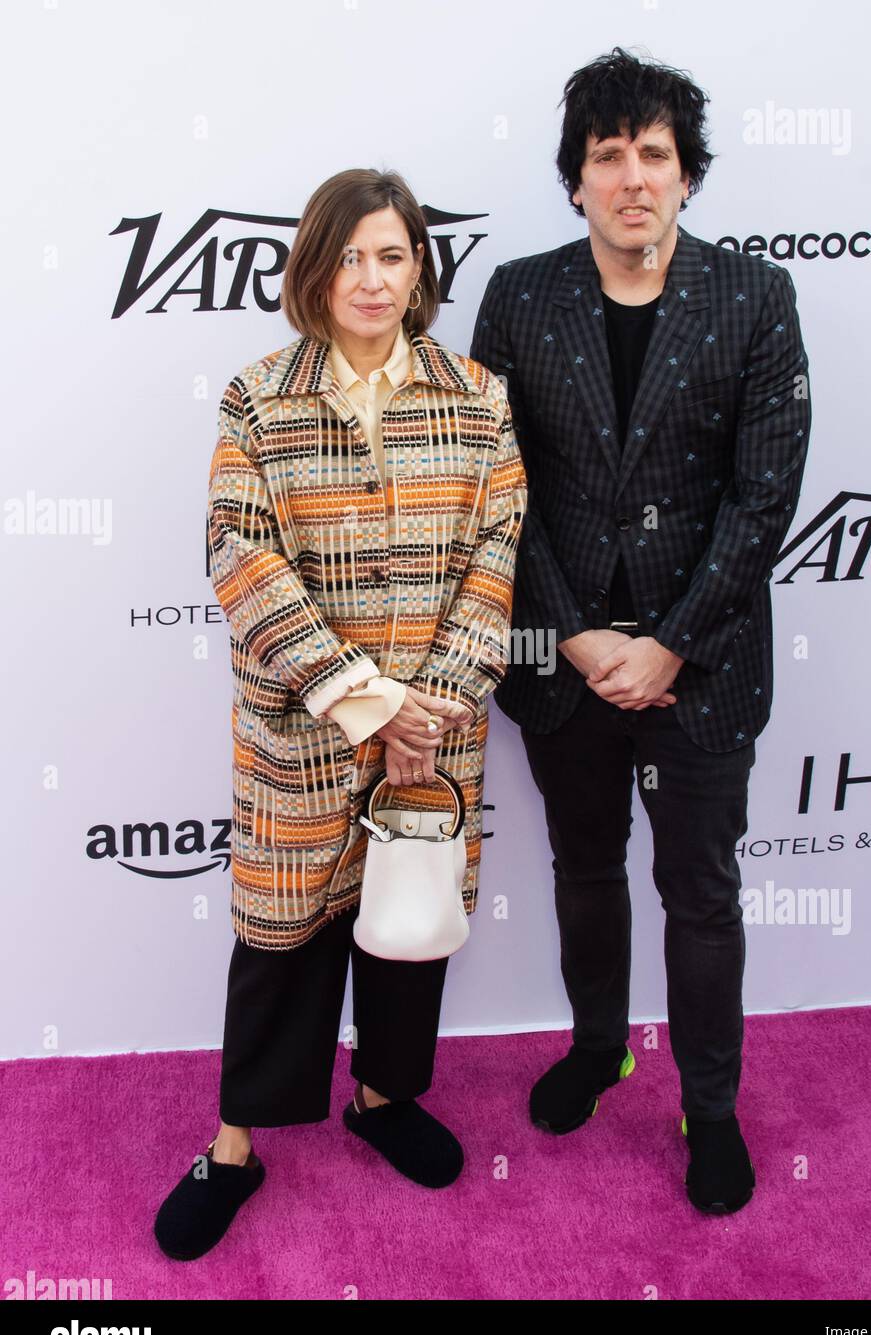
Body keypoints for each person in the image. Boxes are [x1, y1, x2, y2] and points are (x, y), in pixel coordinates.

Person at [154, 168, 527, 1260]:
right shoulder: (259, 396)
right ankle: (232, 1144)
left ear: (420, 268)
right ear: (313, 270)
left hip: (432, 734)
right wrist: (361, 700)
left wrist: (432, 706)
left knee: (410, 925)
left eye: (393, 254)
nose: (372, 278)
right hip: (303, 730)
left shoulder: (477, 396)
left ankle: (381, 1096)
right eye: (350, 256)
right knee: (278, 935)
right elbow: (239, 553)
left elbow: (493, 560)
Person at [471, 47, 811, 1215]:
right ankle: (597, 1044)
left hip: (699, 665)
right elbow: (494, 484)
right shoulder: (518, 295)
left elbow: (762, 496)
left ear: (685, 175)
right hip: (561, 667)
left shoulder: (754, 298)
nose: (630, 177)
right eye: (605, 156)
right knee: (580, 869)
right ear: (574, 181)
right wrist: (570, 636)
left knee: (700, 895)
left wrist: (666, 641)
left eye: (652, 155)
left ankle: (707, 1108)